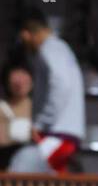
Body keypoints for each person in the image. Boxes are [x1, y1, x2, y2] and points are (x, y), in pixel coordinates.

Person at [14, 11, 84, 173]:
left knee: (21, 167)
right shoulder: (58, 49)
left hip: (58, 135)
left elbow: (61, 85)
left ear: (26, 34)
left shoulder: (51, 49)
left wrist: (41, 123)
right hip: (58, 134)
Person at [0, 63, 35, 171]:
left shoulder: (41, 108)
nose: (19, 82)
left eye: (23, 74)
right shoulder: (2, 108)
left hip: (35, 171)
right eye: (15, 76)